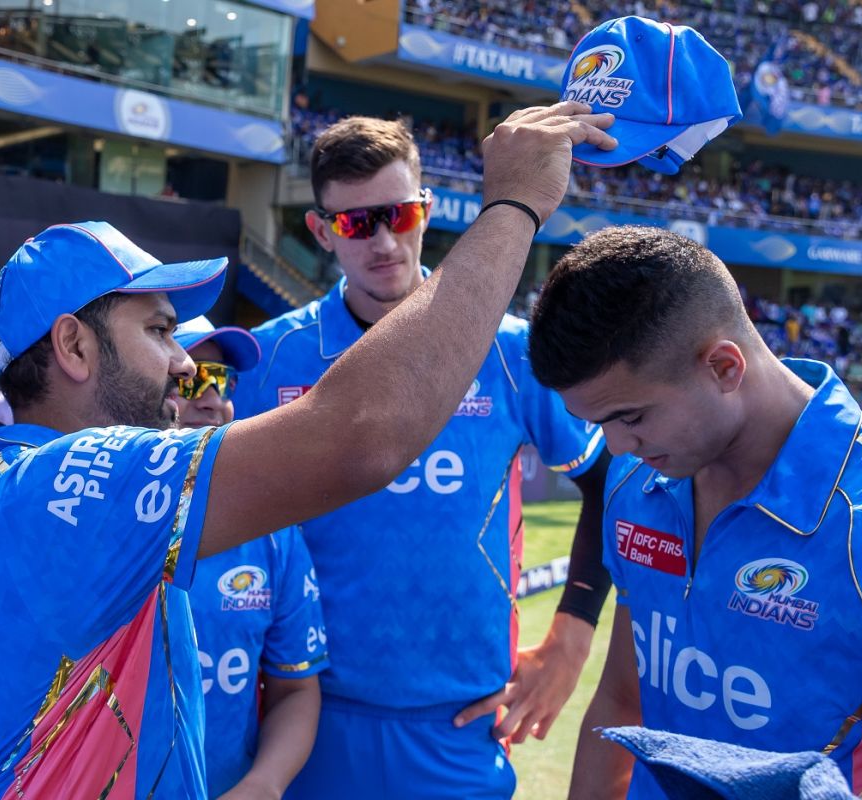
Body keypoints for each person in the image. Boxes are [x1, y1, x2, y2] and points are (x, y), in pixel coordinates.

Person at [0, 101, 617, 799]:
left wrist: (573, 634)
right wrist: (514, 206)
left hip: (441, 723)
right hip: (327, 730)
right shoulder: (79, 482)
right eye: (162, 333)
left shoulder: (10, 478)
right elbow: (362, 435)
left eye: (399, 213)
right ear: (74, 346)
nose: (187, 370)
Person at [526, 226, 862, 800]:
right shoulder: (638, 481)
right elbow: (625, 703)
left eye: (629, 417)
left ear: (725, 367)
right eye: (597, 423)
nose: (616, 446)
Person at [234, 115, 612, 799]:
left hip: (458, 727)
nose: (382, 242)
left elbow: (613, 480)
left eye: (398, 214)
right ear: (321, 232)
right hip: (302, 719)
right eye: (355, 225)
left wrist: (573, 637)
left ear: (427, 211)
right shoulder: (265, 361)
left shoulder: (510, 349)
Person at [171, 317, 326, 800]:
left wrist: (263, 784)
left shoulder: (274, 531)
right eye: (189, 378)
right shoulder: (79, 520)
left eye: (221, 380)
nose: (212, 399)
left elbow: (296, 689)